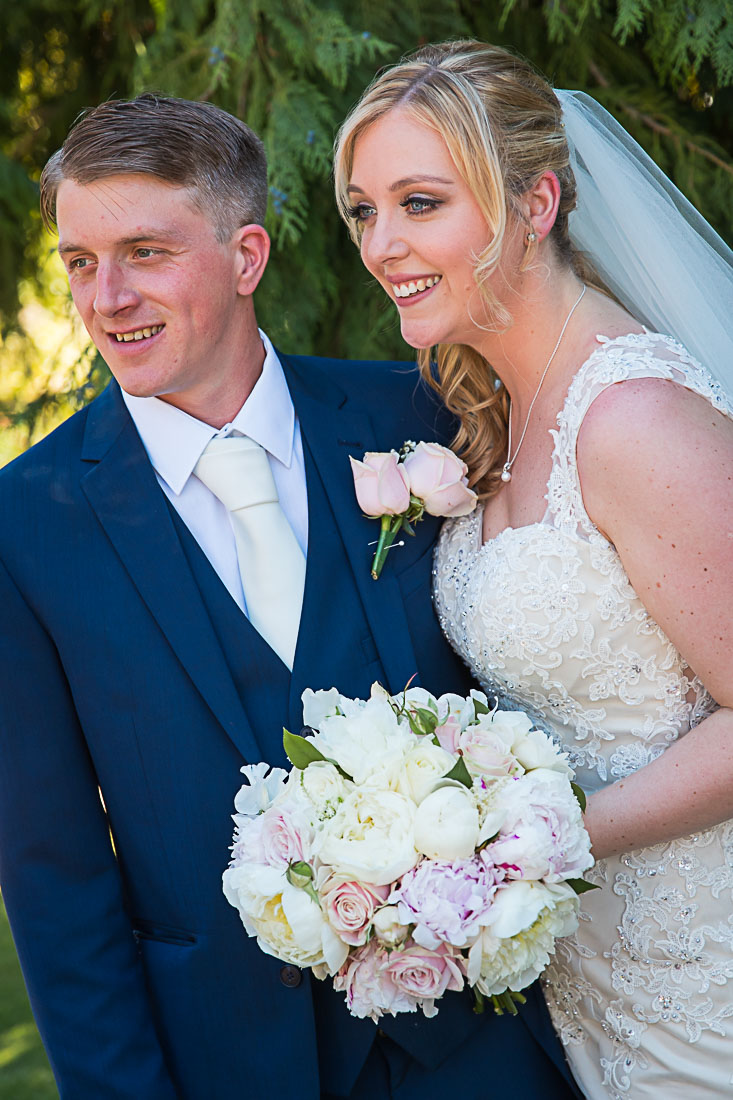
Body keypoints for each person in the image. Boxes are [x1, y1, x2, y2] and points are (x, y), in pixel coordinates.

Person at [0, 94, 580, 1099]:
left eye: (144, 252)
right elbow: (53, 873)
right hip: (227, 1060)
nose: (108, 298)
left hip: (481, 1045)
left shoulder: (418, 413)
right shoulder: (28, 523)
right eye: (80, 263)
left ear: (247, 256)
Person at [334, 39, 733, 1100]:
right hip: (588, 982)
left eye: (420, 202)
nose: (381, 244)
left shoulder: (636, 421)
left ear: (537, 203)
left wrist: (526, 847)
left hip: (707, 971)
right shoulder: (487, 414)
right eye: (364, 210)